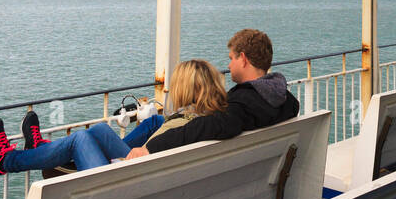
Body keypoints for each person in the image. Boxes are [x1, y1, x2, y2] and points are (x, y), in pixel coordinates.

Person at [0, 58, 229, 177]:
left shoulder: (188, 123)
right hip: (147, 173)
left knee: (81, 139)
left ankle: (4, 161)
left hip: (123, 183)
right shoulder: (210, 117)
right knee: (102, 130)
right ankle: (43, 149)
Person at [126, 28, 300, 157]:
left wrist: (151, 147)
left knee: (102, 132)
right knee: (157, 121)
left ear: (244, 59)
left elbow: (213, 124)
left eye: (232, 59)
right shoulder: (286, 100)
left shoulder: (243, 102)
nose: (229, 66)